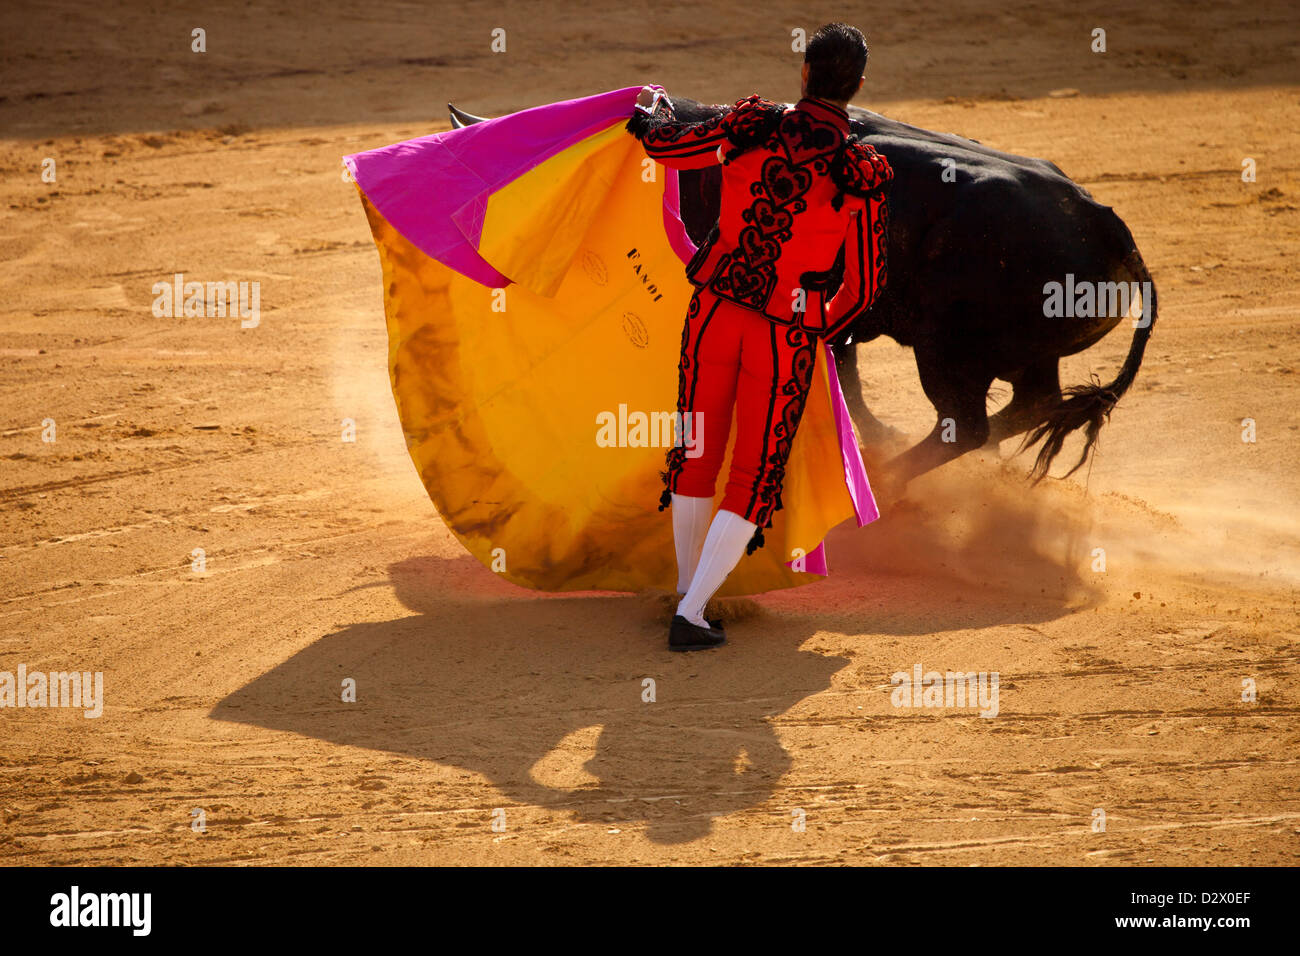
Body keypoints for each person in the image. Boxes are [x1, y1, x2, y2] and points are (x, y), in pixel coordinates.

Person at [627, 22, 893, 652]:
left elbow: (667, 153)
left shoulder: (752, 123)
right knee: (752, 471)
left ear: (804, 73)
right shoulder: (857, 170)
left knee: (697, 449)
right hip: (784, 333)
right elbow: (863, 284)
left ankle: (689, 594)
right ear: (856, 86)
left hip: (714, 308)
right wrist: (813, 316)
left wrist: (647, 122)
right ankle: (691, 612)